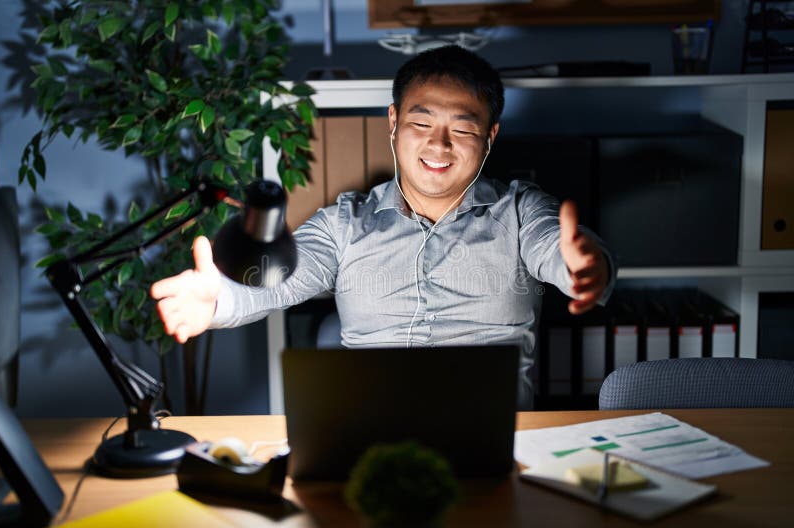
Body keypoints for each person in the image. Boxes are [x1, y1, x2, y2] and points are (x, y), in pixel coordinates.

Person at [151, 45, 615, 409]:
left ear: (490, 137)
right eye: (421, 121)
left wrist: (584, 265)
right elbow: (282, 280)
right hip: (370, 440)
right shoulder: (344, 225)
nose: (440, 144)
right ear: (393, 123)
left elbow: (558, 246)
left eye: (463, 128)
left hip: (498, 444)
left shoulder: (519, 210)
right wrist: (220, 299)